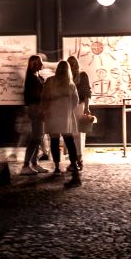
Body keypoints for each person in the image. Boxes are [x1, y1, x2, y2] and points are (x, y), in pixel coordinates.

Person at [41, 59, 82, 187]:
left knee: (54, 141)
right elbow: (76, 101)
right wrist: (68, 109)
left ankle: (57, 167)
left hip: (52, 116)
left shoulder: (50, 81)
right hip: (66, 117)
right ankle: (74, 164)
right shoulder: (70, 84)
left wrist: (45, 111)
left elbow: (44, 98)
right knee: (69, 141)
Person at [20, 55, 48, 174]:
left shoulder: (37, 76)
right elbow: (35, 95)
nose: (42, 65)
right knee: (36, 137)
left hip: (38, 108)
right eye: (40, 63)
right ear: (34, 64)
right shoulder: (31, 78)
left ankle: (34, 163)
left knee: (39, 137)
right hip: (35, 108)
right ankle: (26, 165)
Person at [68, 54, 91, 158]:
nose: (72, 66)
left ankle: (79, 155)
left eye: (73, 63)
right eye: (70, 64)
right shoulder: (67, 77)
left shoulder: (82, 75)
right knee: (71, 131)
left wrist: (87, 107)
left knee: (78, 132)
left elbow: (86, 93)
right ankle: (74, 155)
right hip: (68, 107)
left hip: (78, 106)